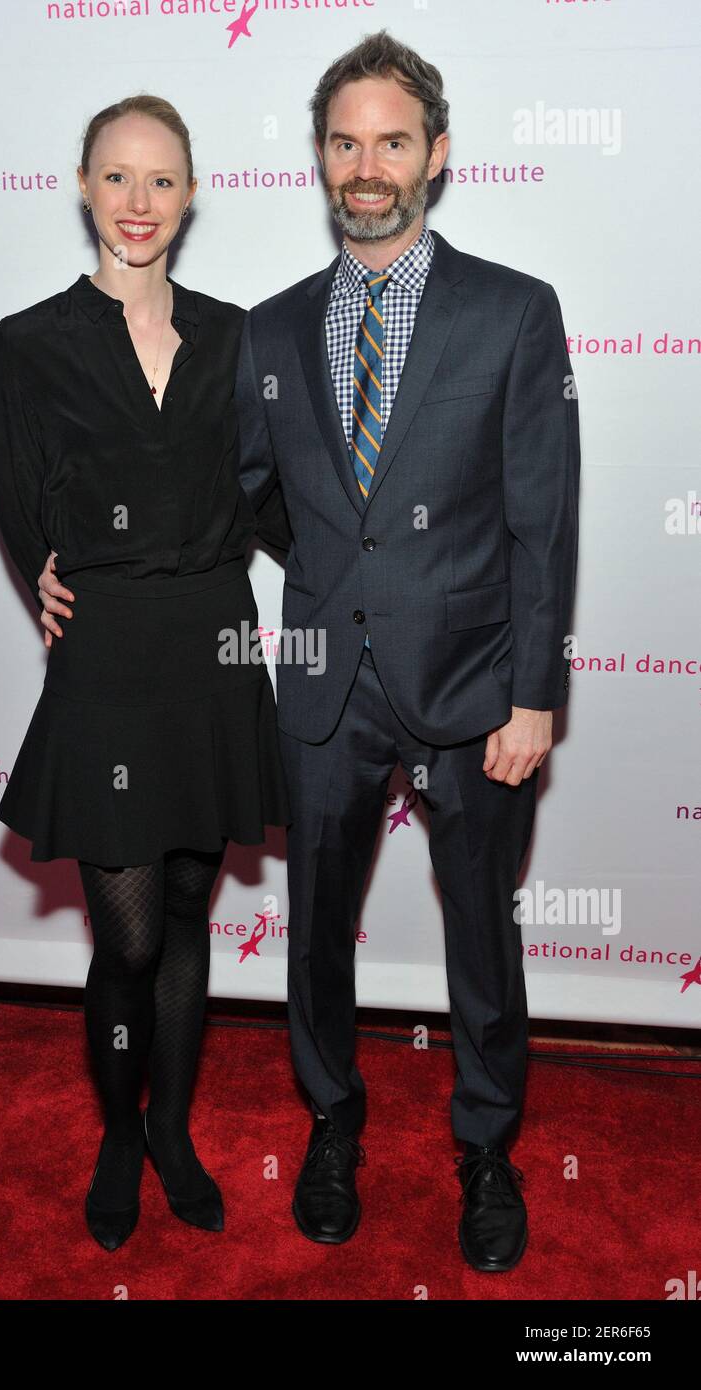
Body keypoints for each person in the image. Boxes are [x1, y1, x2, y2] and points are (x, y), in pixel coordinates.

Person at [233, 31, 579, 1271]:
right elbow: (247, 498)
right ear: (320, 159)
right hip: (324, 686)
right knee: (317, 927)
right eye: (344, 142)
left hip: (476, 687)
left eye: (391, 141)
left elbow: (543, 519)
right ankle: (332, 1125)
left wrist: (534, 693)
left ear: (436, 153)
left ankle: (487, 1146)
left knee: (482, 931)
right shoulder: (269, 333)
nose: (366, 167)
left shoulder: (513, 312)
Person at [0, 95, 291, 1253]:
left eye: (162, 180)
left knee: (187, 917)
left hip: (214, 646)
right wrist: (43, 576)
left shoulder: (238, 337)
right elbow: (15, 495)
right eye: (119, 177)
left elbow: (267, 498)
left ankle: (174, 1133)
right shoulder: (31, 342)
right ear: (82, 184)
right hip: (109, 659)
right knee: (130, 939)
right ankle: (120, 1129)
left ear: (193, 193)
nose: (139, 203)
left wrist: (369, 590)